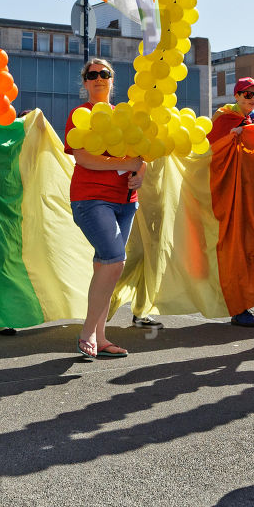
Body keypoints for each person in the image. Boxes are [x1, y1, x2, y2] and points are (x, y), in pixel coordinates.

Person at [65, 58, 145, 360]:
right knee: (114, 261)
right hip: (91, 199)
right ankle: (87, 332)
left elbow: (141, 155)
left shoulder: (125, 114)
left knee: (105, 266)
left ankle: (100, 337)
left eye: (105, 74)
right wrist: (128, 164)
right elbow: (84, 158)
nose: (99, 78)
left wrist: (141, 173)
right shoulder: (80, 114)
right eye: (92, 74)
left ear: (112, 80)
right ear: (85, 82)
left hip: (126, 203)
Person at [209, 77, 254, 327]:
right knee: (236, 250)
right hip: (232, 197)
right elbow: (209, 152)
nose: (252, 98)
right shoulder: (225, 119)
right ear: (236, 95)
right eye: (246, 93)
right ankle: (239, 307)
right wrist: (231, 138)